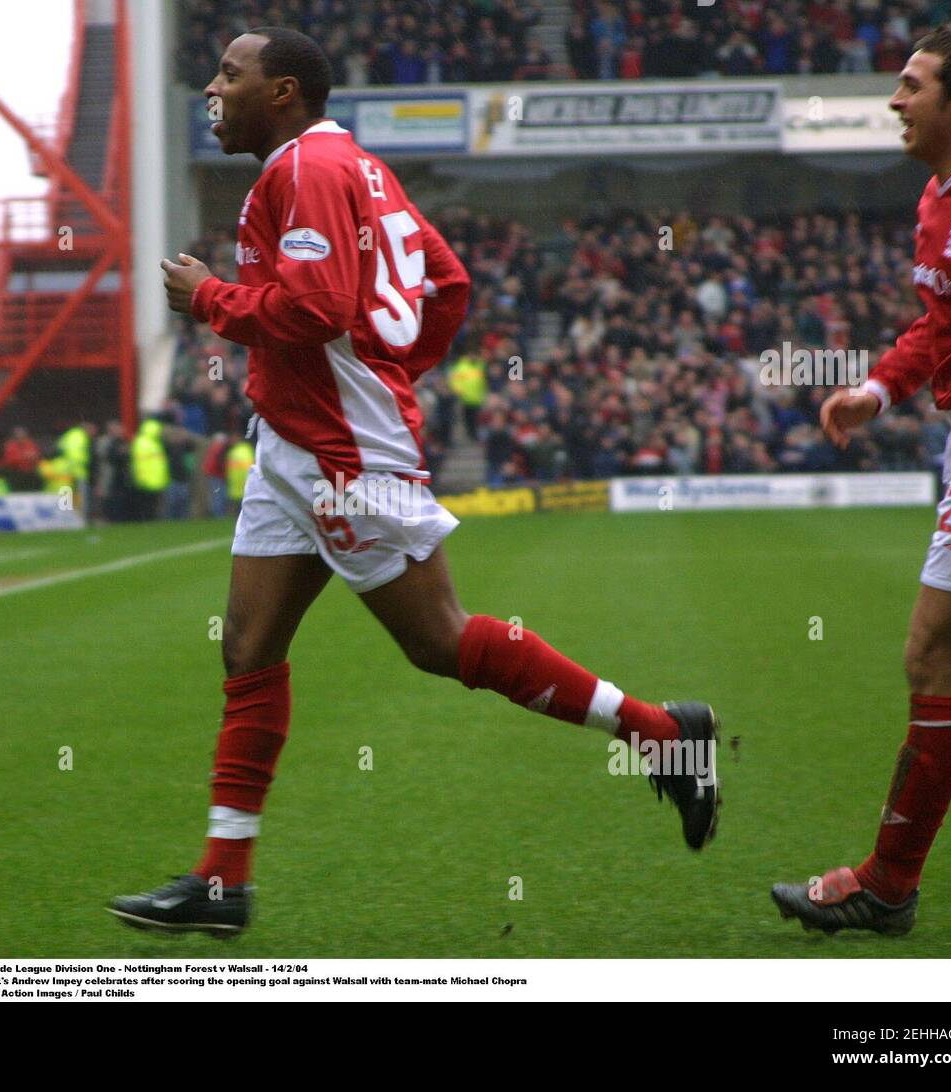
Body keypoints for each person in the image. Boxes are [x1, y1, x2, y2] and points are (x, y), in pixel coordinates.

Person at [109, 27, 720, 936]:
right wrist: (397, 371)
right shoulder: (358, 167)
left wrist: (208, 298)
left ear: (282, 91)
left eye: (228, 75)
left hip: (340, 450)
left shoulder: (304, 170)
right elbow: (448, 282)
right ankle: (222, 881)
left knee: (437, 641)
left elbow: (317, 308)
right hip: (293, 440)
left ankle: (664, 736)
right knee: (248, 648)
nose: (211, 87)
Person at [772, 27, 951, 936]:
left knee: (932, 656)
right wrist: (878, 388)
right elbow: (940, 323)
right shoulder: (937, 199)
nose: (894, 100)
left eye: (911, 85)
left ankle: (887, 884)